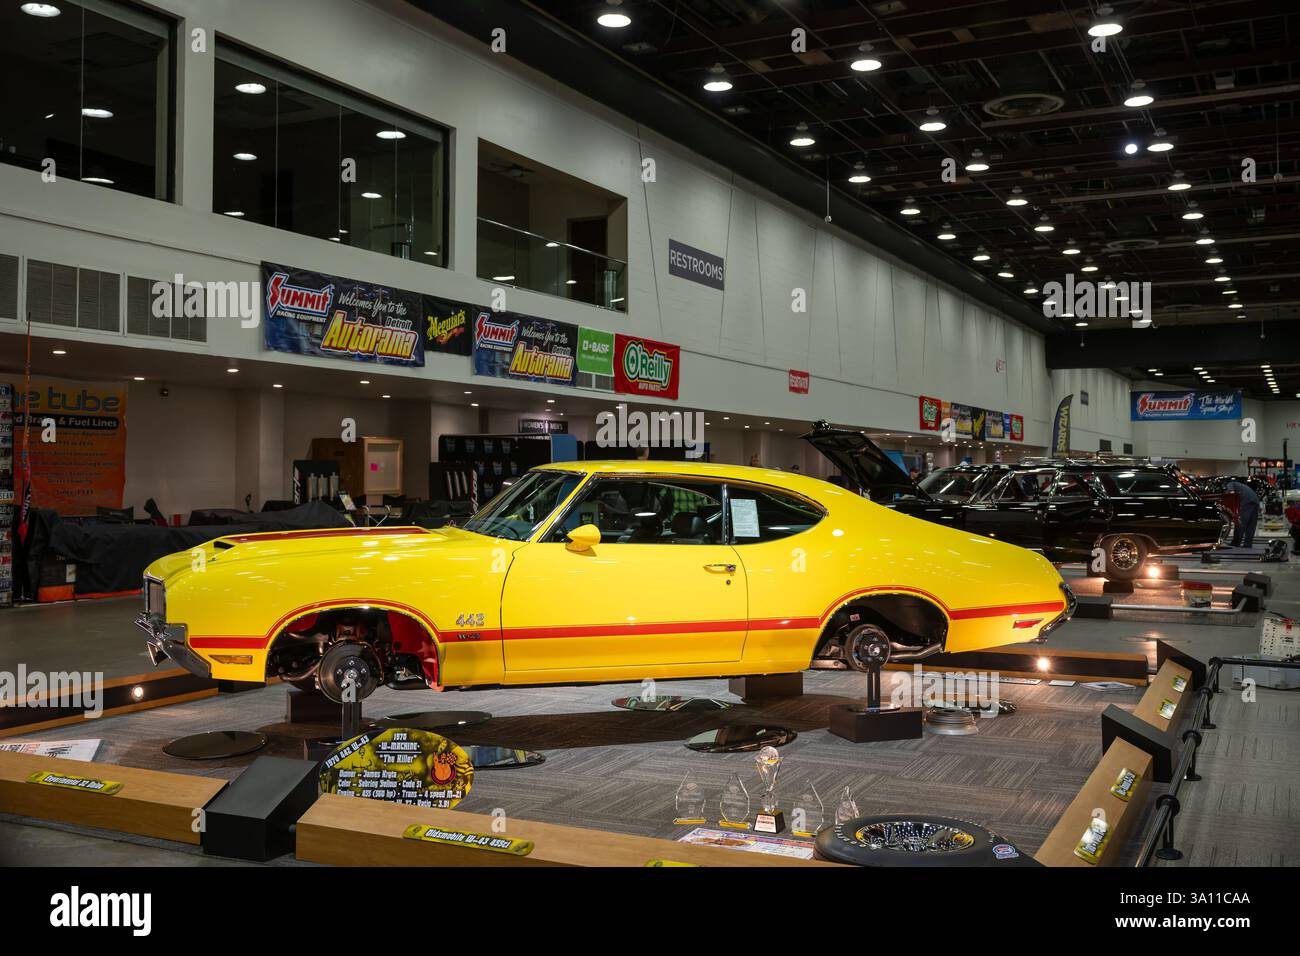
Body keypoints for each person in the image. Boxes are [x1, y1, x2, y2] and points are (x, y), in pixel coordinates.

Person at [1226, 478, 1261, 549]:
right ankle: (1248, 544)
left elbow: (1231, 493)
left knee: (1240, 522)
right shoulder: (1240, 485)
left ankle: (1236, 542)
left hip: (1247, 501)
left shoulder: (1230, 484)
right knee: (1251, 524)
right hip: (1255, 500)